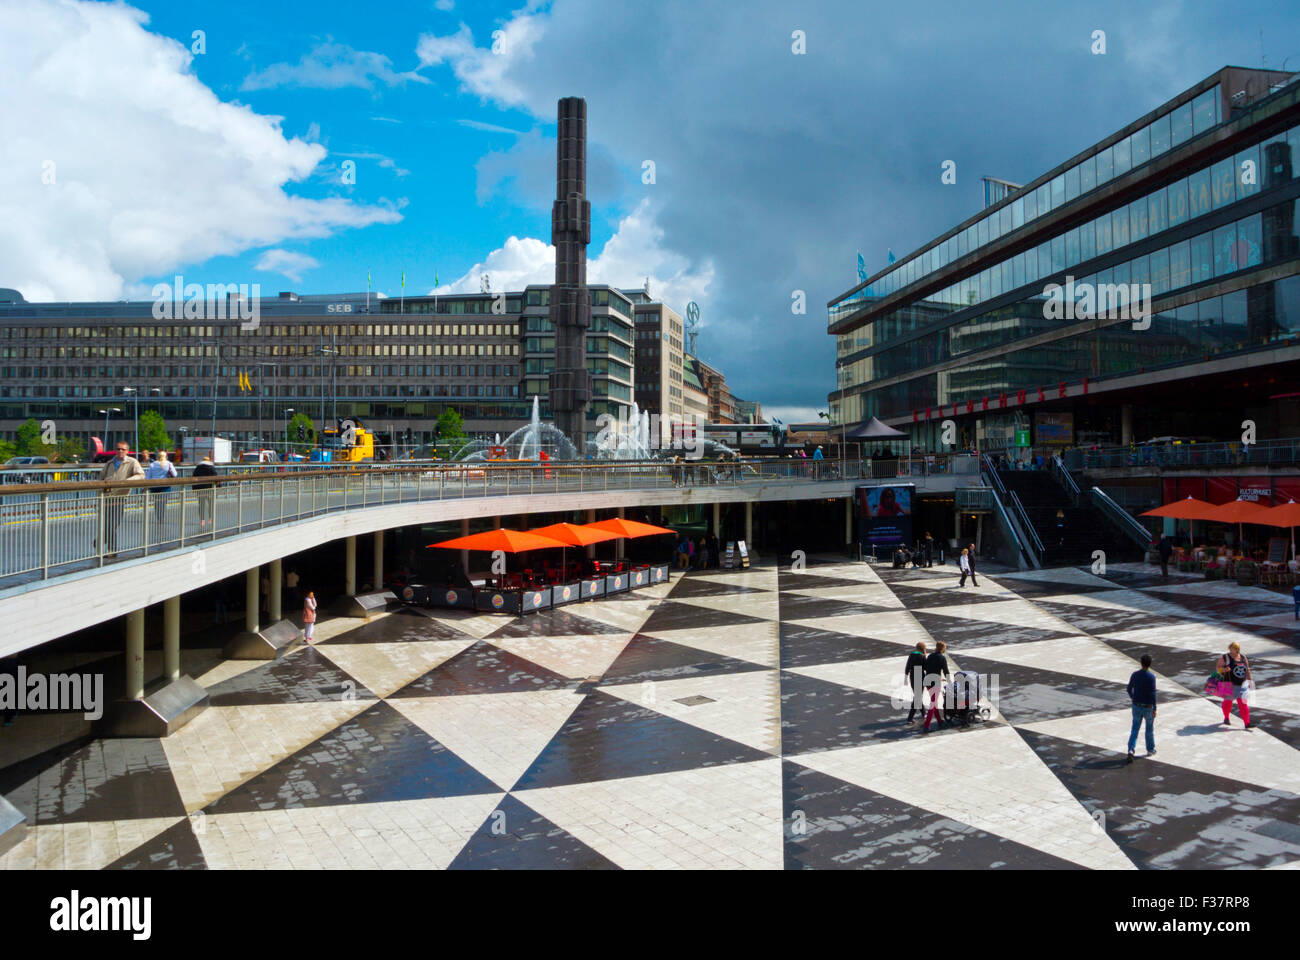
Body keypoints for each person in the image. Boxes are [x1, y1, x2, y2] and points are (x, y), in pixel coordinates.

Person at [99, 440, 144, 555]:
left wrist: (126, 482)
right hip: (107, 498)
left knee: (114, 524)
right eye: (118, 449)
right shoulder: (110, 463)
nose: (120, 451)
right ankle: (111, 550)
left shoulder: (132, 462)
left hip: (120, 497)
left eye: (123, 449)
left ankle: (102, 540)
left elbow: (141, 475)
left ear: (127, 451)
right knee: (108, 524)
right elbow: (101, 479)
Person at [1126, 653, 1158, 761]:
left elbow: (1129, 689)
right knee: (1149, 729)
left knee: (1135, 728)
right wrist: (1155, 708)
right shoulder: (1151, 677)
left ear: (1141, 663)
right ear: (1150, 664)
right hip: (1148, 706)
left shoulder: (1135, 675)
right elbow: (1153, 694)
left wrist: (1133, 698)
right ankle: (1150, 749)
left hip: (1136, 705)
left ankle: (1131, 749)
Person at [1217, 642, 1253, 729]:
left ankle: (1247, 723)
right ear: (1230, 649)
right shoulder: (1225, 657)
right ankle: (1226, 717)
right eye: (1235, 648)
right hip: (1229, 685)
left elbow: (1247, 670)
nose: (1237, 650)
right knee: (1227, 703)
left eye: (1238, 648)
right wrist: (1224, 669)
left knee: (1243, 704)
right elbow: (1218, 669)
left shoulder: (1243, 657)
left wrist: (1250, 681)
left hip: (1242, 685)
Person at [144, 449, 177, 531]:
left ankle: (158, 518)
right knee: (163, 503)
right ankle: (161, 518)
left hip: (154, 487)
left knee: (157, 503)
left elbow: (148, 477)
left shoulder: (152, 464)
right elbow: (175, 474)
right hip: (165, 486)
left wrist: (144, 487)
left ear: (157, 457)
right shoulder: (168, 464)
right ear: (166, 456)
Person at [922, 641, 951, 732]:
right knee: (933, 703)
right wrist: (949, 681)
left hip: (927, 681)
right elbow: (946, 671)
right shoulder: (942, 658)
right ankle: (926, 726)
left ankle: (939, 721)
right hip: (935, 682)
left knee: (934, 701)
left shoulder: (930, 656)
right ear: (943, 648)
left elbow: (926, 668)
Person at [192, 451, 218, 528]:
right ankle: (210, 518)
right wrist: (218, 488)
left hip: (200, 489)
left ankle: (202, 520)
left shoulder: (198, 468)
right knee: (210, 504)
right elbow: (216, 478)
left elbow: (193, 478)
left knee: (201, 505)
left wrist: (194, 489)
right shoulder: (211, 468)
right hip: (210, 488)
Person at [904, 641, 927, 724]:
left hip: (913, 676)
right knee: (917, 697)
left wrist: (906, 677)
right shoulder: (922, 656)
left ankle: (924, 713)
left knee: (917, 696)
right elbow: (925, 668)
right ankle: (910, 718)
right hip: (920, 676)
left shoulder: (911, 655)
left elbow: (907, 667)